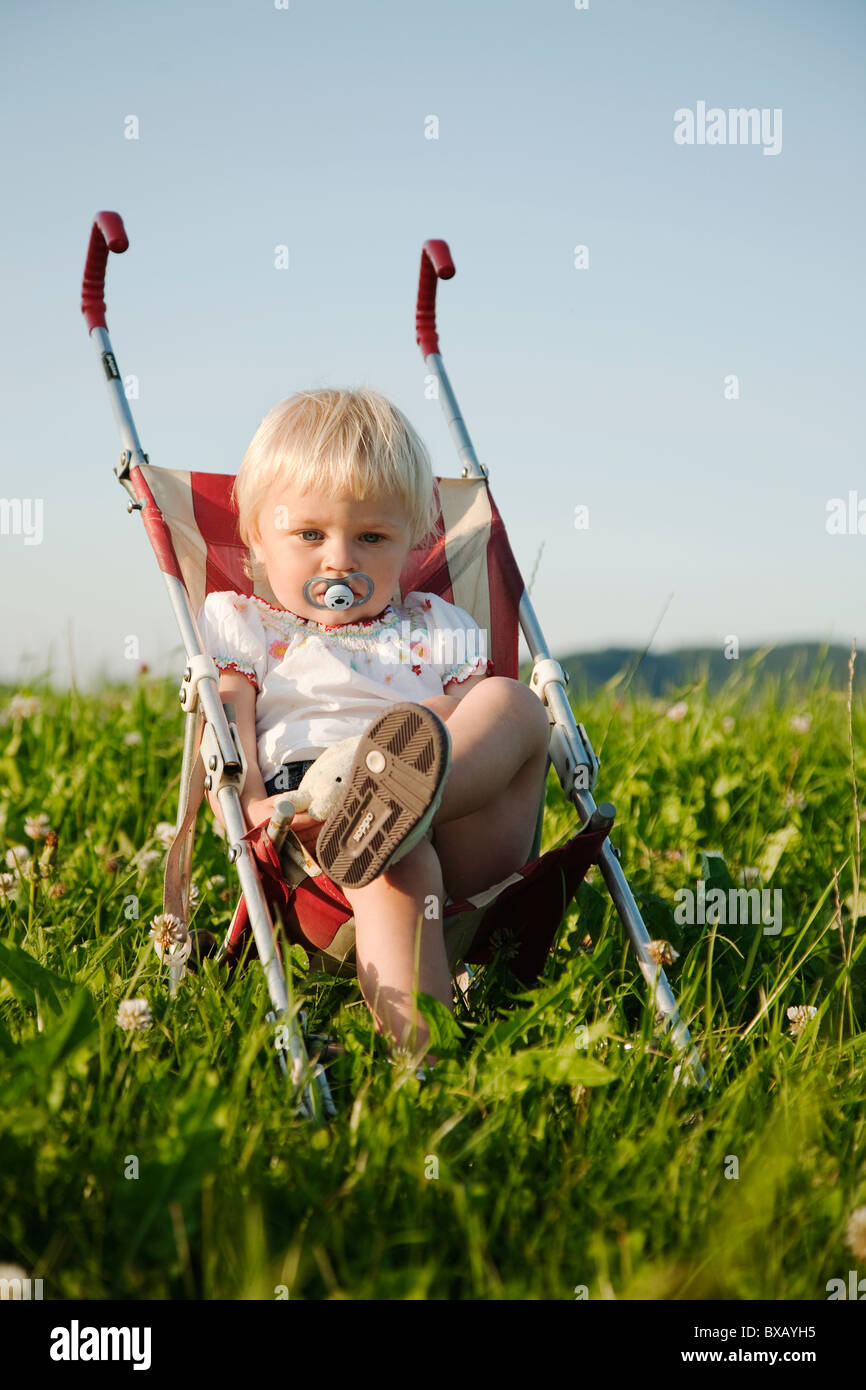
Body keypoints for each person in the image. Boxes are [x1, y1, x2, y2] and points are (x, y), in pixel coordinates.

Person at [199, 387, 550, 1065]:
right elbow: (229, 724)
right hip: (317, 816)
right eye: (309, 534)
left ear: (413, 542)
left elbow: (477, 715)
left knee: (512, 700)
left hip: (454, 804)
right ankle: (426, 1060)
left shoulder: (433, 624)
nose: (339, 560)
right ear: (256, 538)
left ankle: (407, 796)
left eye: (371, 537)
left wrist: (425, 737)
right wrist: (246, 806)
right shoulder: (248, 625)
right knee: (393, 856)